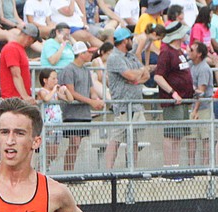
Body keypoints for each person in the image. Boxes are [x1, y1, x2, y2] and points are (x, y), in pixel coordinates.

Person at [104, 27, 151, 169]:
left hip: (136, 106)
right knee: (116, 140)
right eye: (130, 39)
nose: (132, 41)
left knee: (134, 142)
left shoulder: (130, 56)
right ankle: (107, 172)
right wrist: (140, 72)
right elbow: (131, 75)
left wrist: (138, 76)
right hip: (123, 107)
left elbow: (146, 76)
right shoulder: (114, 58)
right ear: (125, 41)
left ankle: (132, 170)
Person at [153, 21, 194, 169]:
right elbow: (158, 76)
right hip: (173, 101)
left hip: (183, 100)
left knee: (178, 135)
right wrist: (172, 93)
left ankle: (175, 166)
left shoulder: (180, 51)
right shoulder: (166, 52)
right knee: (171, 134)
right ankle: (169, 166)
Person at [58, 40, 103, 171]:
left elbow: (91, 90)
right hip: (71, 114)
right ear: (81, 54)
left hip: (83, 113)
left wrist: (97, 100)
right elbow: (71, 92)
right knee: (74, 143)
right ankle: (68, 173)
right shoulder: (69, 70)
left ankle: (70, 172)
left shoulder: (85, 70)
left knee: (76, 144)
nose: (90, 55)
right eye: (87, 53)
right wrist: (91, 102)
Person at [0, 23, 41, 102]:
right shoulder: (12, 48)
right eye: (33, 41)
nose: (31, 44)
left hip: (17, 99)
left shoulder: (17, 49)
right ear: (29, 38)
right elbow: (16, 75)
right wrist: (25, 96)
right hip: (14, 100)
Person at [188, 40, 213, 165]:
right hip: (193, 106)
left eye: (192, 50)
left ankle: (205, 166)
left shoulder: (203, 69)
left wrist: (195, 110)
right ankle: (191, 166)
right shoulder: (190, 65)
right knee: (191, 137)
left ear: (199, 54)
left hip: (202, 108)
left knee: (205, 138)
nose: (189, 51)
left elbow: (201, 92)